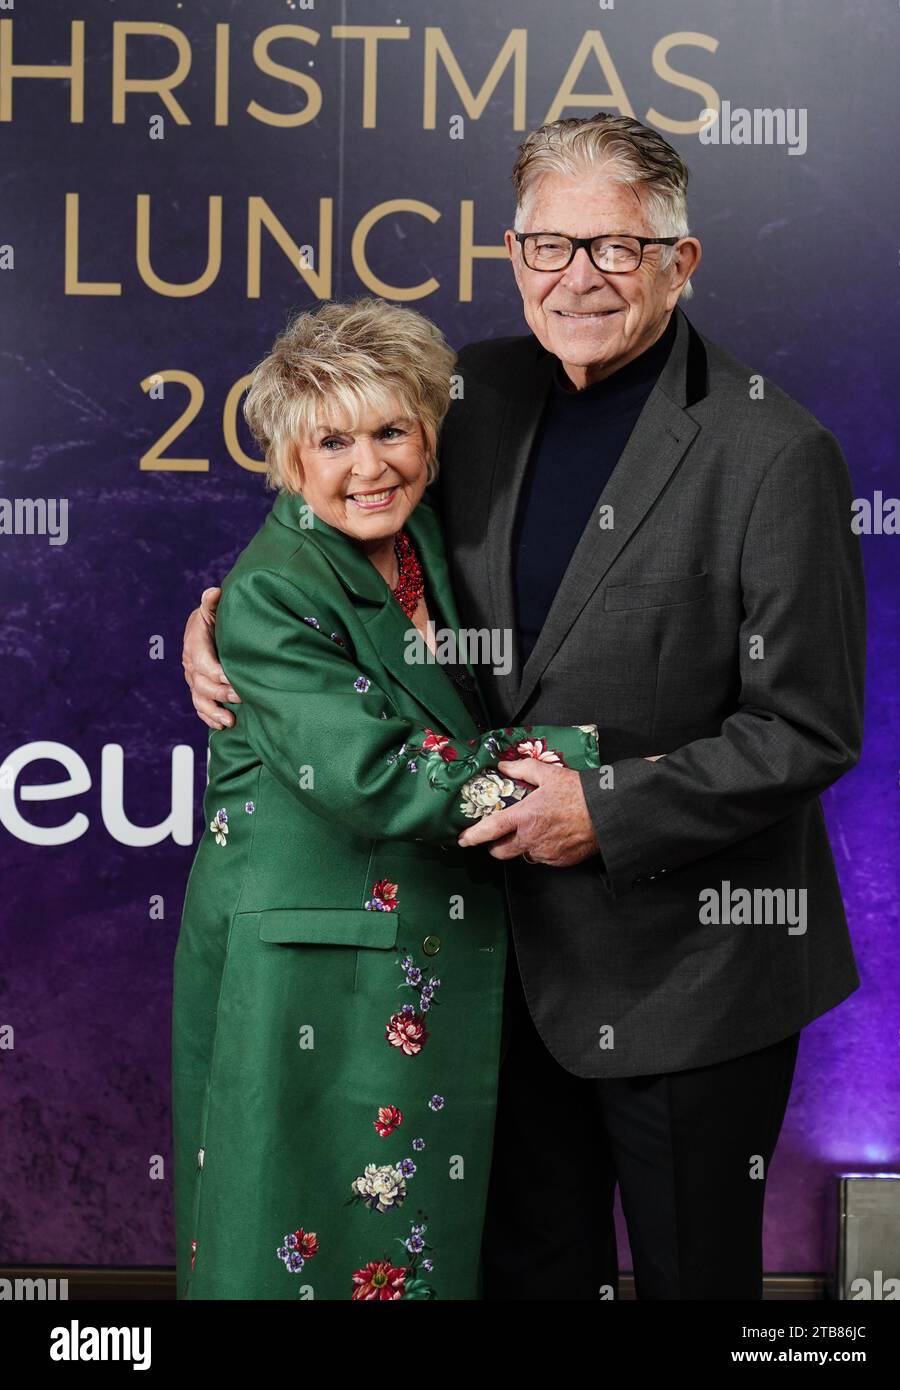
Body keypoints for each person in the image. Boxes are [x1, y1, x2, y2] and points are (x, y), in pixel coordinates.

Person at [183, 114, 866, 1300]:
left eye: (613, 248)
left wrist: (607, 807)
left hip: (684, 973)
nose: (578, 279)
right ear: (512, 255)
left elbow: (805, 726)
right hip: (486, 962)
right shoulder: (468, 392)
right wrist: (215, 623)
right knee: (514, 1274)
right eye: (550, 247)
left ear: (678, 262)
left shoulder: (772, 451)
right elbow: (336, 535)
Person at [171, 295, 599, 1300]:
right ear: (286, 461)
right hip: (302, 975)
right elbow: (382, 779)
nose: (369, 466)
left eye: (390, 431)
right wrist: (586, 761)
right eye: (331, 441)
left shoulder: (422, 547)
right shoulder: (274, 591)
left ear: (428, 437)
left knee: (406, 1245)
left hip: (404, 957)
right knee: (283, 1242)